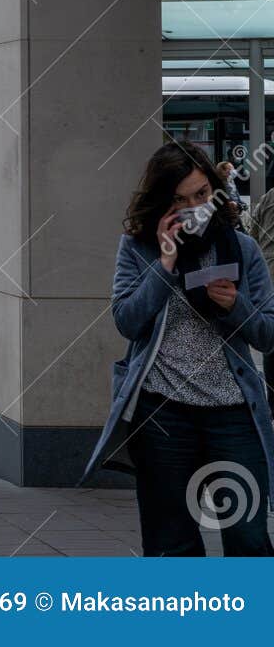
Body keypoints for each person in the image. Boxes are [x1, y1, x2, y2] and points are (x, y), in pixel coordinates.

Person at [83, 139, 274, 556]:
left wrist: (235, 306)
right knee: (171, 541)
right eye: (180, 199)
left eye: (201, 195)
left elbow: (267, 333)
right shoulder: (137, 248)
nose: (194, 207)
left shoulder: (242, 249)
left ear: (215, 190)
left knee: (248, 536)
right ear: (162, 201)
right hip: (163, 414)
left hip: (232, 413)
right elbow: (126, 321)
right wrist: (165, 266)